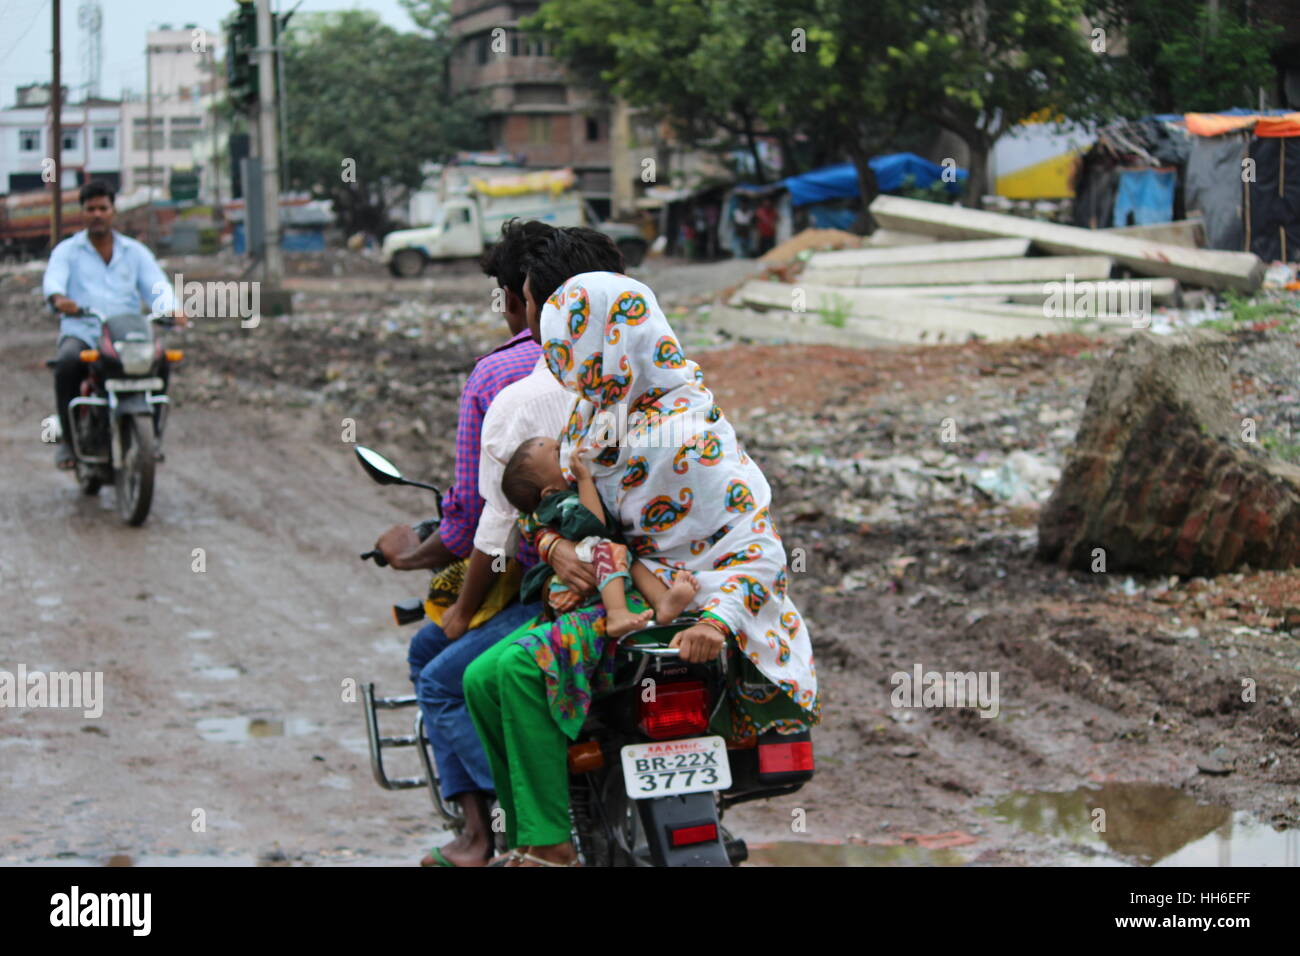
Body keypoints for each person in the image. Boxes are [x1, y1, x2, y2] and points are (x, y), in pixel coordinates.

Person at [463, 271, 819, 867]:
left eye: (572, 346)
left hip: (687, 610)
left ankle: (551, 845)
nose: (565, 363)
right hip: (616, 592)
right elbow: (555, 504)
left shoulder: (689, 432)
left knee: (521, 671)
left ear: (610, 339)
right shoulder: (593, 416)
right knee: (479, 679)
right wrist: (552, 545)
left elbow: (760, 544)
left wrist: (719, 622)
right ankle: (526, 835)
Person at [384, 222, 626, 868]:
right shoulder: (655, 375)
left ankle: (489, 831)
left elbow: (477, 534)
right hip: (661, 574)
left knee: (447, 675)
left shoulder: (507, 387)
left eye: (513, 291)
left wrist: (454, 601)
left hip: (558, 594)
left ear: (528, 299)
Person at [43, 180, 185, 469]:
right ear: (82, 213)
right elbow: (54, 282)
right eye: (90, 208)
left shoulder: (135, 252)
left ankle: (152, 437)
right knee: (67, 364)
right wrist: (59, 299)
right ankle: (68, 445)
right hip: (83, 332)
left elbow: (157, 285)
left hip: (126, 335)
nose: (97, 214)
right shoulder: (67, 251)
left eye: (102, 208)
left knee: (162, 361)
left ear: (113, 211)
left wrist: (172, 309)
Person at [501, 435, 699, 636]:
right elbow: (593, 523)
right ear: (549, 492)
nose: (568, 452)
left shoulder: (561, 498)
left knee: (636, 562)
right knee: (606, 549)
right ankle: (617, 613)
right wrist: (584, 478)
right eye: (558, 454)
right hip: (575, 587)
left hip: (601, 576)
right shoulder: (560, 505)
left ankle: (663, 602)